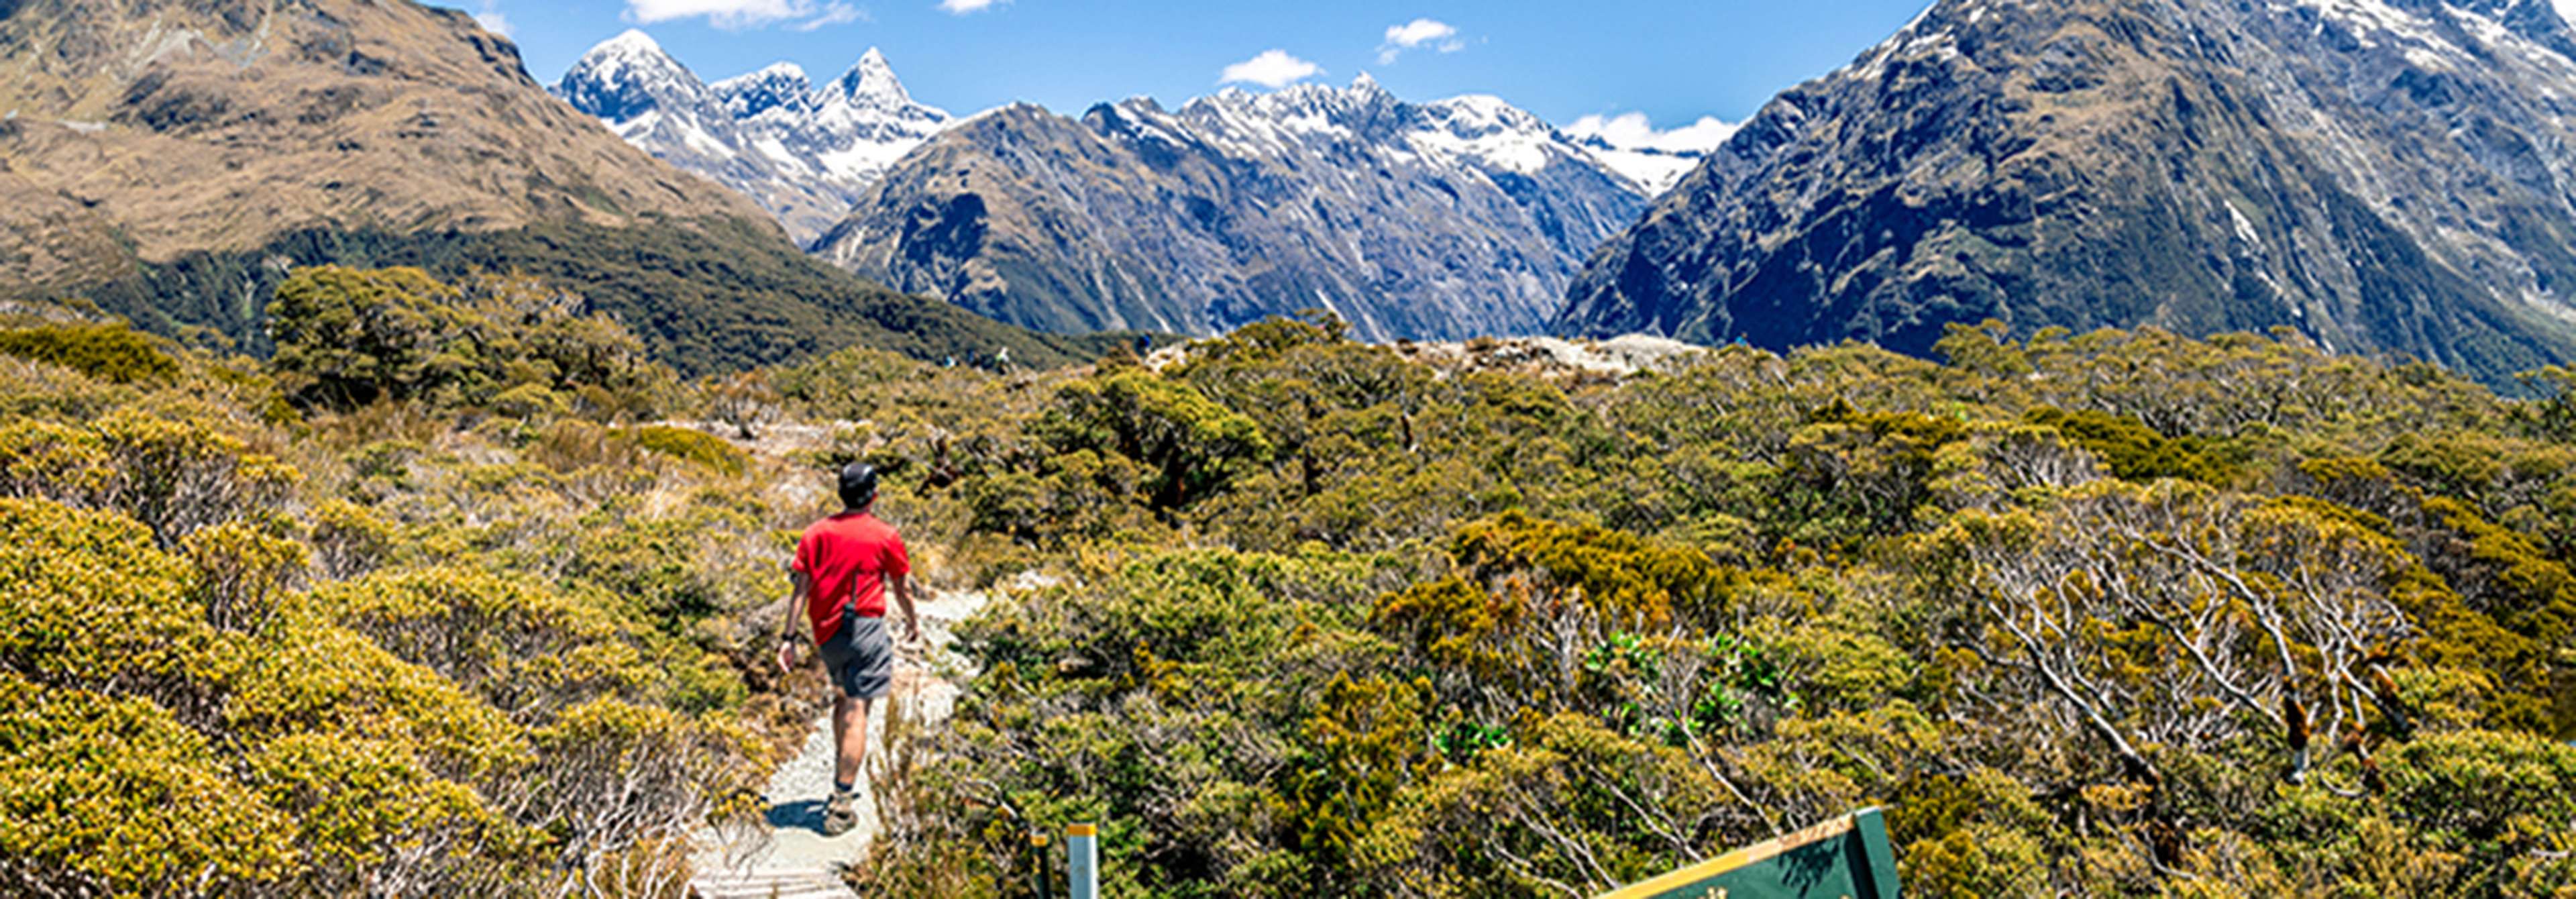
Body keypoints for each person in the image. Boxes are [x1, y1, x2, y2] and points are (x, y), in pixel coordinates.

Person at [776, 462, 920, 836]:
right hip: (866, 629)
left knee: (842, 699)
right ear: (873, 494)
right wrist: (913, 622)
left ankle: (841, 773)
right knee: (858, 709)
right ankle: (841, 804)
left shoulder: (816, 533)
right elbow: (902, 588)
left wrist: (788, 638)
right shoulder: (885, 535)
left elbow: (800, 589)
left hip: (826, 633)